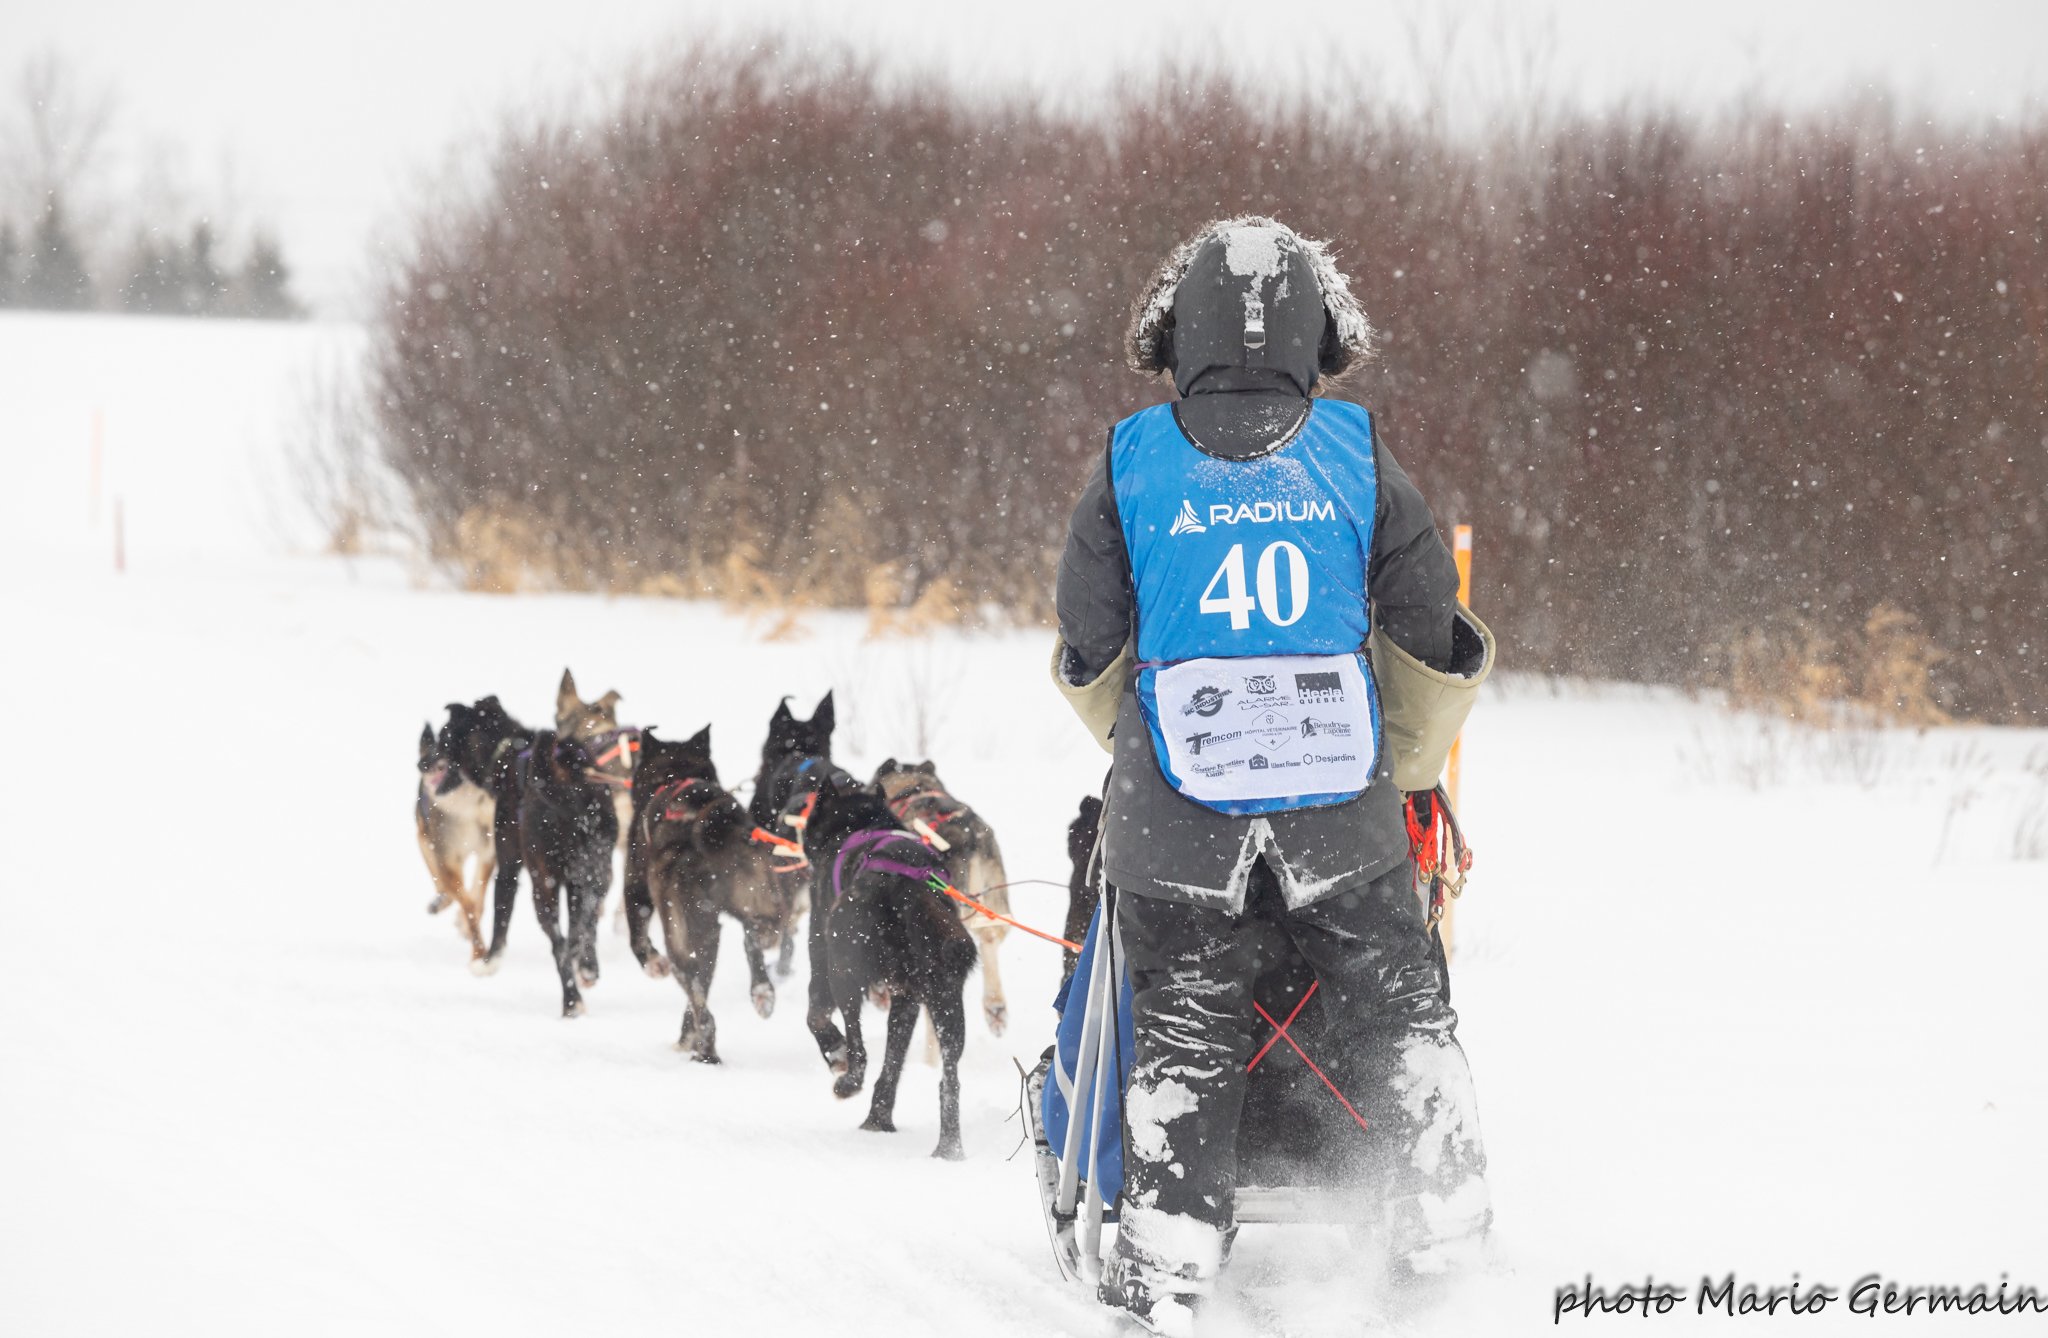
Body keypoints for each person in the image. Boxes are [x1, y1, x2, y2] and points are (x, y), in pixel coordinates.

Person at [1052, 216, 1496, 1335]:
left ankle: (1166, 1267)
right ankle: (1440, 1238)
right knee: (1396, 1010)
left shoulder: (1127, 460)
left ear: (1177, 333)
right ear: (1315, 332)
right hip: (1337, 799)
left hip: (1176, 805)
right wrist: (1402, 764)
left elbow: (1090, 641)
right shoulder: (1356, 451)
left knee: (1187, 1022)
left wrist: (1143, 741)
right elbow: (1425, 622)